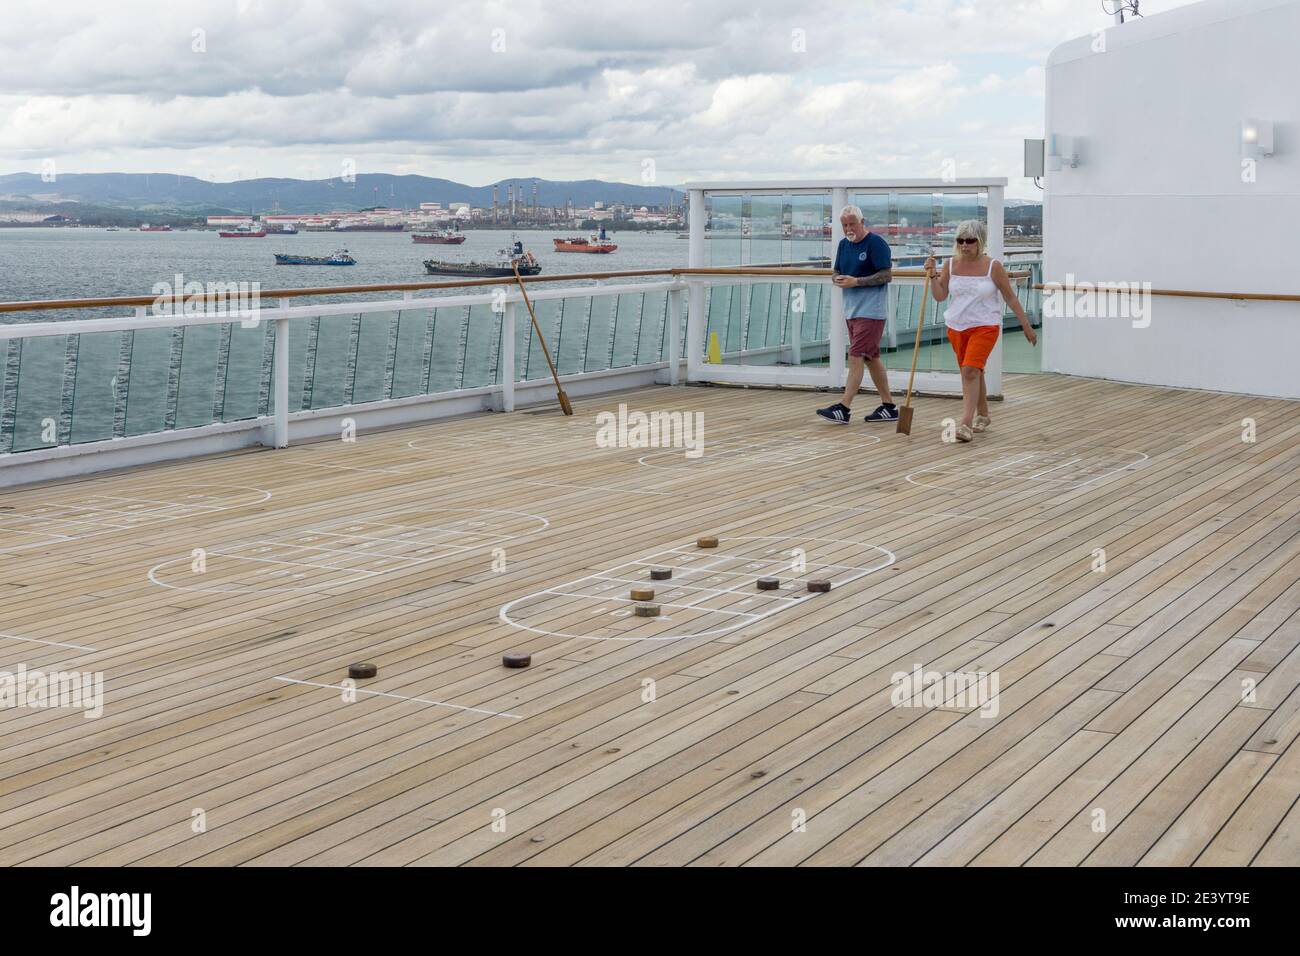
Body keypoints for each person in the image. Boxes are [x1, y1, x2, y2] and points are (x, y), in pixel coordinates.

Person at [924, 220, 1036, 442]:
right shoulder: (950, 264)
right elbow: (939, 295)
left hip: (985, 325)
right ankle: (983, 414)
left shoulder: (993, 266)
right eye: (961, 240)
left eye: (970, 241)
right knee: (975, 371)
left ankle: (965, 424)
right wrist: (932, 275)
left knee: (969, 372)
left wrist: (1026, 325)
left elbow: (1010, 297)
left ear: (980, 241)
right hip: (956, 325)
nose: (965, 245)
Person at [816, 205, 897, 424]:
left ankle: (844, 407)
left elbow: (886, 275)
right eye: (845, 225)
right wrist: (837, 279)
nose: (849, 228)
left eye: (852, 224)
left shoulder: (876, 244)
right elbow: (836, 271)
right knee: (871, 358)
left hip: (871, 311)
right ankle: (889, 406)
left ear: (862, 222)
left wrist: (857, 282)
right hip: (851, 310)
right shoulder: (843, 245)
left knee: (856, 356)